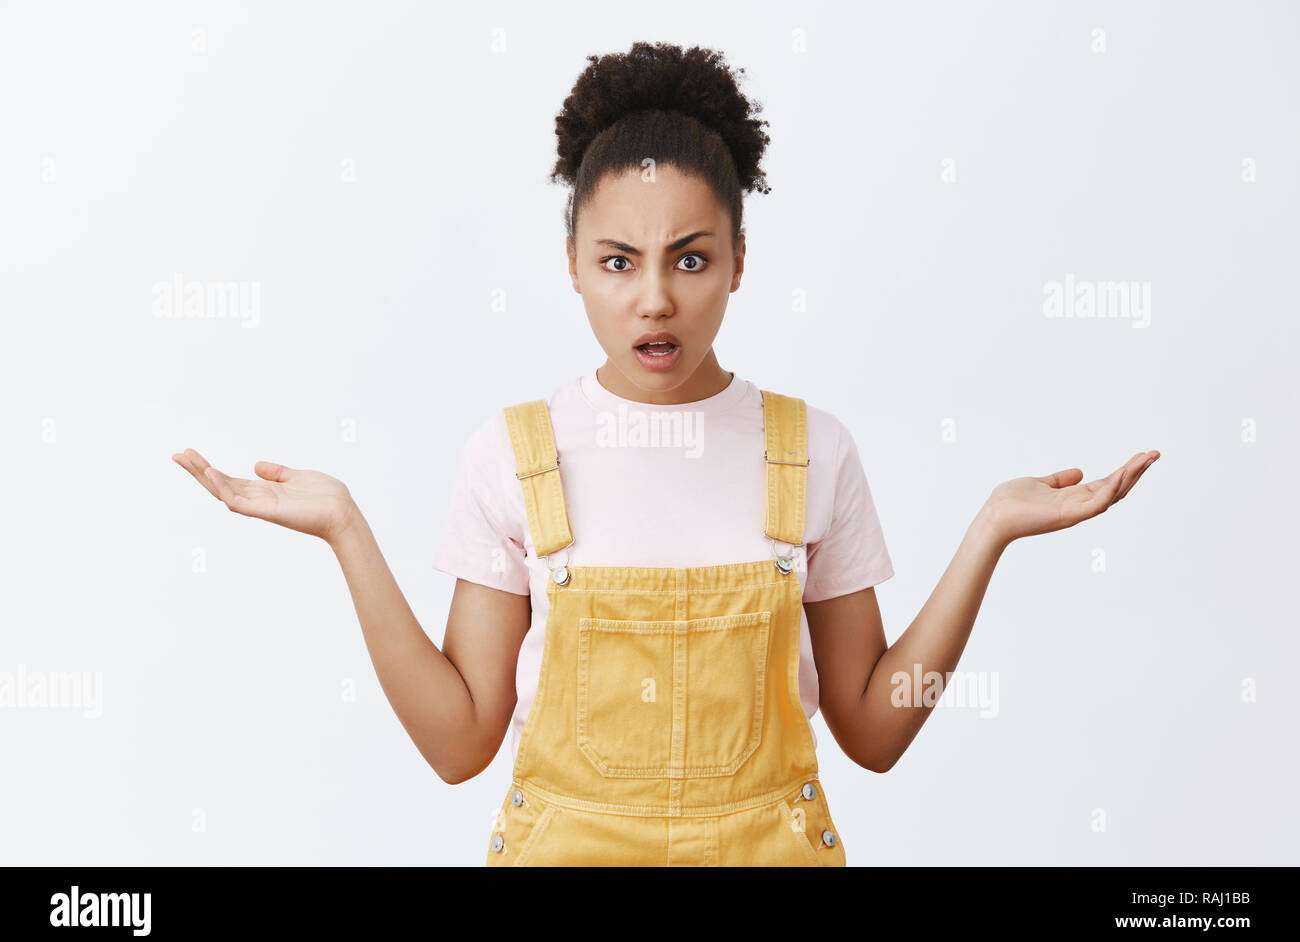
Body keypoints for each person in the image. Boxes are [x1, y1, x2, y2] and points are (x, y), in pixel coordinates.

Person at [171, 41, 1159, 866]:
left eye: (690, 257)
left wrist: (989, 532)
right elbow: (458, 743)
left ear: (738, 257)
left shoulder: (812, 448)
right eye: (617, 261)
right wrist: (345, 529)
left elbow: (876, 729)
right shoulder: (517, 454)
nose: (654, 299)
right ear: (571, 264)